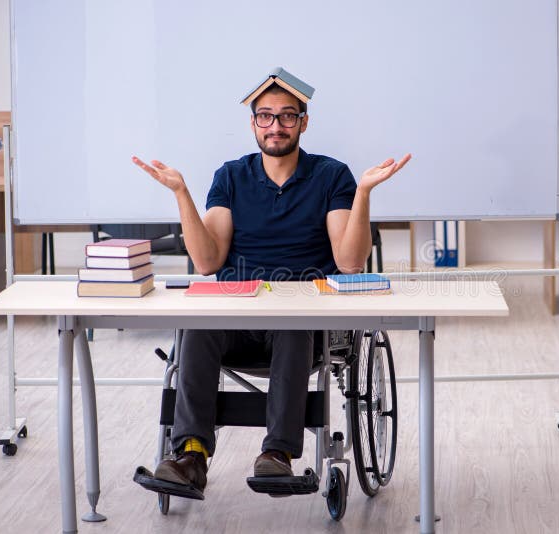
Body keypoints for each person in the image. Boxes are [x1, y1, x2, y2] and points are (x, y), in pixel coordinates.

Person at [132, 74, 410, 496]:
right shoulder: (231, 176)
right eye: (265, 116)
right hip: (237, 316)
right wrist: (182, 194)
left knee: (293, 319)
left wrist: (365, 194)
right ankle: (190, 457)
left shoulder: (332, 176)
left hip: (300, 323)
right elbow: (207, 262)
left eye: (286, 117)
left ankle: (277, 455)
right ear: (253, 124)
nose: (275, 126)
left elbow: (349, 261)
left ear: (303, 122)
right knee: (196, 325)